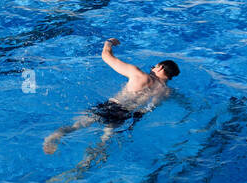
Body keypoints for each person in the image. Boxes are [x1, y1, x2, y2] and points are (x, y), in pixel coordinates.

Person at [43, 39, 179, 165]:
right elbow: (147, 109)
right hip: (125, 115)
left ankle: (53, 137)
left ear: (160, 68)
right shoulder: (166, 92)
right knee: (104, 142)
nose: (151, 69)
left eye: (153, 67)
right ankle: (85, 163)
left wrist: (108, 43)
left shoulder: (139, 75)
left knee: (76, 125)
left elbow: (106, 56)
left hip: (111, 106)